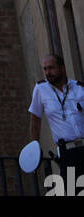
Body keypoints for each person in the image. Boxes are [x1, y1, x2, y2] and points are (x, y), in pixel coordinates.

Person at [28, 52, 84, 182]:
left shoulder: (79, 88)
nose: (48, 72)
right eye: (45, 69)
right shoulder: (40, 89)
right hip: (68, 154)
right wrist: (35, 149)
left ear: (62, 68)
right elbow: (35, 120)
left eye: (51, 68)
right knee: (73, 191)